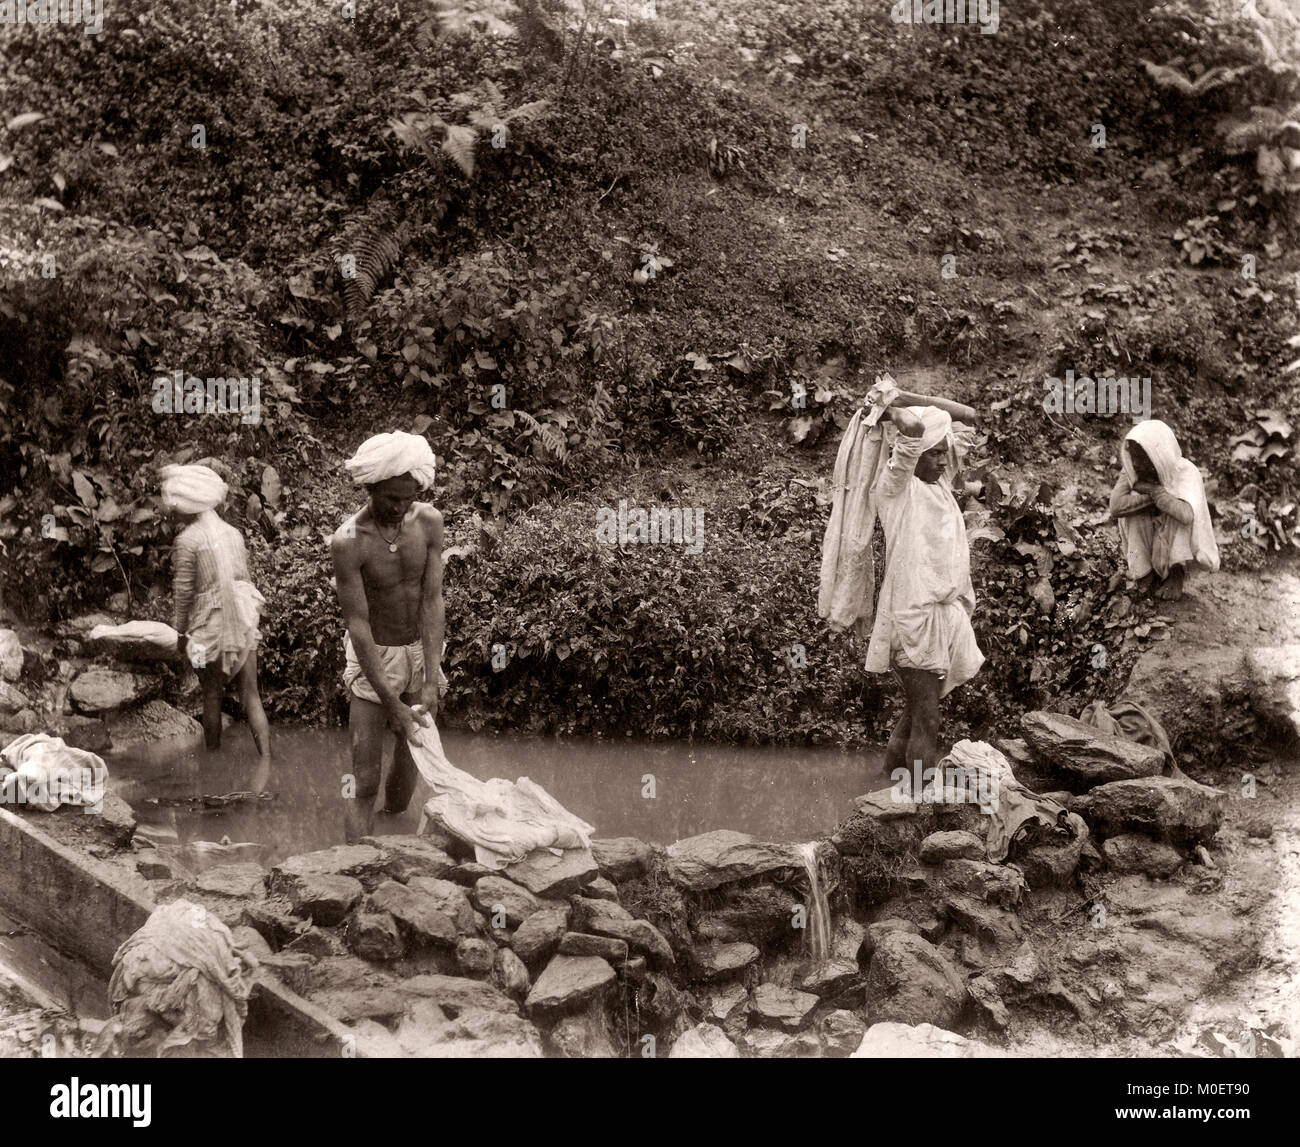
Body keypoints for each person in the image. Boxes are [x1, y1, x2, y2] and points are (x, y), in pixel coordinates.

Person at [861, 383, 984, 779]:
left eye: (942, 454)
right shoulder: (897, 488)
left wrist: (907, 397)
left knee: (917, 711)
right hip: (913, 617)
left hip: (941, 614)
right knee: (927, 718)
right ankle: (917, 805)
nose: (940, 462)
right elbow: (912, 430)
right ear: (911, 456)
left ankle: (885, 789)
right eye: (932, 455)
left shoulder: (940, 486)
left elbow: (968, 413)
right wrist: (888, 407)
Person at [330, 431, 445, 842]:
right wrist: (390, 701)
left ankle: (395, 833)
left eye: (407, 497)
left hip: (420, 651)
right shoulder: (348, 542)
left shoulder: (429, 522)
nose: (399, 507)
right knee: (363, 779)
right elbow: (357, 623)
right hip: (374, 655)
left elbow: (432, 600)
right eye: (390, 498)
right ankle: (353, 871)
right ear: (371, 488)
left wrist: (431, 679)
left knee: (413, 754)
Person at [162, 464, 271, 788]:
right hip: (242, 618)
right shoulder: (233, 534)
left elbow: (183, 594)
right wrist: (248, 621)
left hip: (209, 624)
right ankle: (266, 764)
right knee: (251, 695)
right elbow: (246, 583)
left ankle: (212, 768)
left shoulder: (188, 540)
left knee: (211, 695)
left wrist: (179, 634)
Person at [1108, 419, 1219, 601]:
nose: (1139, 465)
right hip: (1148, 537)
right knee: (1130, 514)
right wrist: (1151, 500)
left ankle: (1176, 574)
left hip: (1175, 543)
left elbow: (1187, 515)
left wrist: (1156, 492)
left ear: (1160, 455)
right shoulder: (1132, 468)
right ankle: (1144, 575)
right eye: (1135, 458)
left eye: (1145, 458)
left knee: (1179, 508)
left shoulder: (1186, 471)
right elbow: (1116, 506)